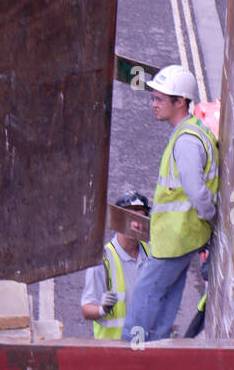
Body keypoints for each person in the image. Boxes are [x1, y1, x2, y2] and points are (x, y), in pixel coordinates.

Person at [121, 66, 219, 343]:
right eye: (153, 98)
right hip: (182, 235)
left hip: (177, 236)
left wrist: (209, 215)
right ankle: (157, 343)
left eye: (159, 99)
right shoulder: (193, 130)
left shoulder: (186, 141)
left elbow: (196, 190)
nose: (153, 104)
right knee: (169, 294)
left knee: (146, 293)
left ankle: (131, 347)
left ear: (180, 102)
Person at [81, 221, 152, 340]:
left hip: (149, 348)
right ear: (118, 219)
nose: (135, 225)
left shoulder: (153, 255)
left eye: (139, 218)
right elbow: (86, 309)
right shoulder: (102, 259)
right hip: (114, 350)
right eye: (130, 218)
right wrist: (101, 309)